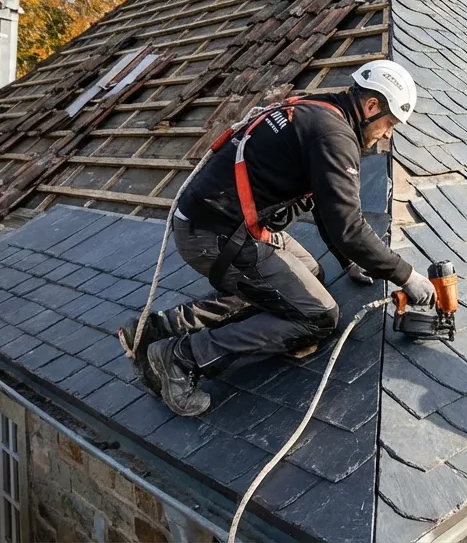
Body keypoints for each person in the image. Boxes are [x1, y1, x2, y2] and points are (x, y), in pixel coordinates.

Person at [118, 60, 435, 417]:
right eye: (389, 124)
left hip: (221, 223)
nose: (387, 134)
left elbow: (326, 203)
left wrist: (348, 261)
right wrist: (407, 275)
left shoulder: (318, 109)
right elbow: (348, 226)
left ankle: (161, 327)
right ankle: (180, 358)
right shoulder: (333, 135)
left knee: (309, 276)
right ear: (372, 106)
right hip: (218, 236)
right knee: (318, 316)